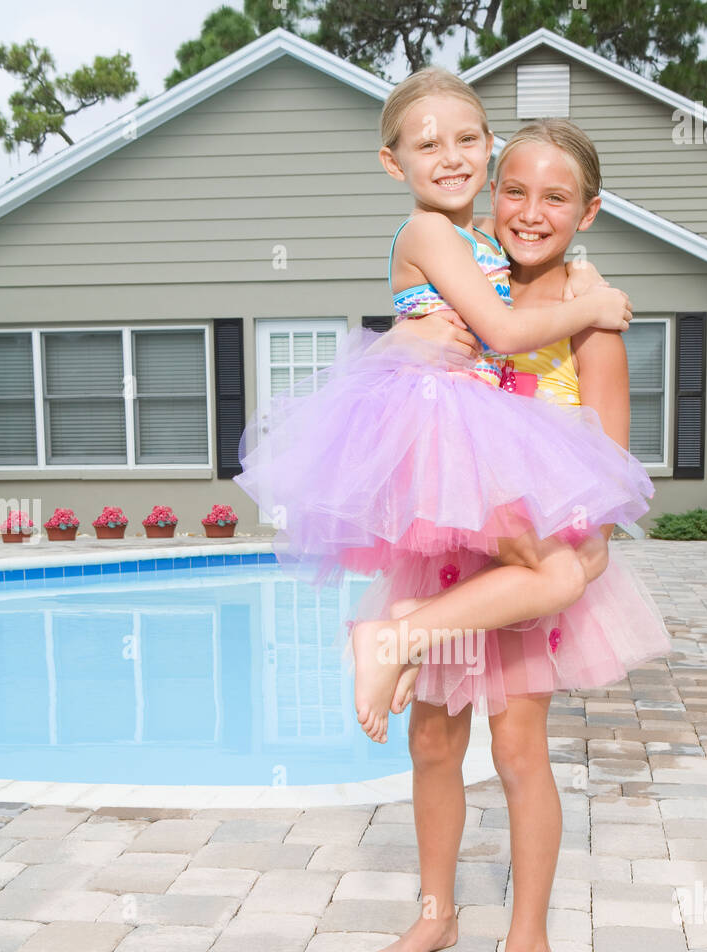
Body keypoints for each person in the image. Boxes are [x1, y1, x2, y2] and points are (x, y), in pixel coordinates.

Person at [234, 68, 656, 745]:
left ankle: (410, 625)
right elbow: (506, 331)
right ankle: (397, 635)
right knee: (559, 572)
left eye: (466, 139)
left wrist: (585, 270)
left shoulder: (478, 235)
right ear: (392, 161)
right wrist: (596, 302)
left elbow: (528, 227)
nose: (450, 156)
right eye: (428, 146)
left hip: (468, 422)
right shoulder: (429, 232)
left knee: (563, 571)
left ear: (487, 146)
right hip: (451, 425)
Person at [368, 118, 672, 952]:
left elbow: (612, 470)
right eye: (515, 190)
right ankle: (436, 914)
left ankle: (529, 948)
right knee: (431, 740)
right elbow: (400, 384)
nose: (530, 212)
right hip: (450, 553)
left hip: (536, 560)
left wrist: (579, 554)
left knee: (514, 746)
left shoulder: (591, 323)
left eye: (556, 197)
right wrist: (397, 347)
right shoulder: (466, 289)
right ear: (490, 193)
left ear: (589, 212)